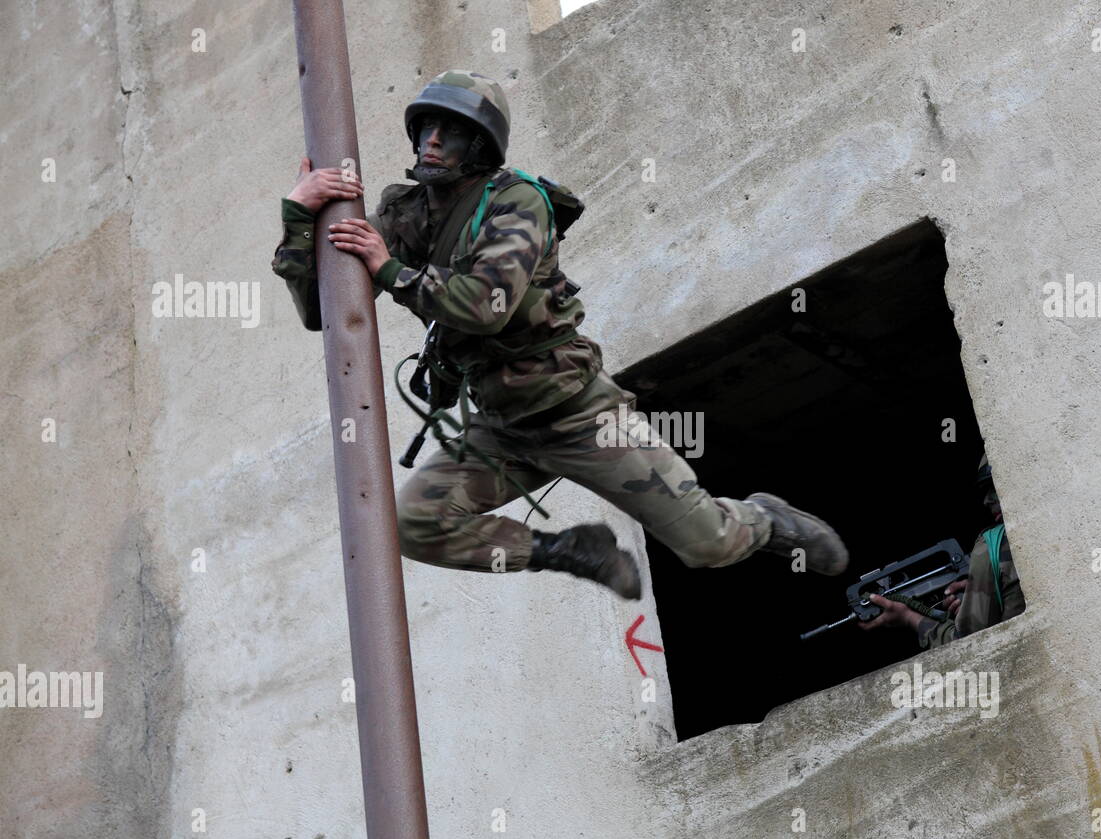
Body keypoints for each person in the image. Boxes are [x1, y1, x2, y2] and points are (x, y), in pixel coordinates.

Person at [271, 70, 849, 600]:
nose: (432, 140)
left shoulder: (517, 202)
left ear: (480, 145)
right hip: (500, 428)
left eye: (451, 130)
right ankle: (569, 550)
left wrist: (392, 270)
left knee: (708, 546)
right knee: (415, 525)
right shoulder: (407, 214)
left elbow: (487, 305)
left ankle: (767, 520)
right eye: (426, 126)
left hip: (577, 414)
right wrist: (299, 217)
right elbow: (324, 309)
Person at [858, 452, 1024, 646]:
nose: (986, 501)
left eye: (993, 486)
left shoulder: (991, 545)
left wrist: (908, 617)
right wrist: (980, 590)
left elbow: (969, 646)